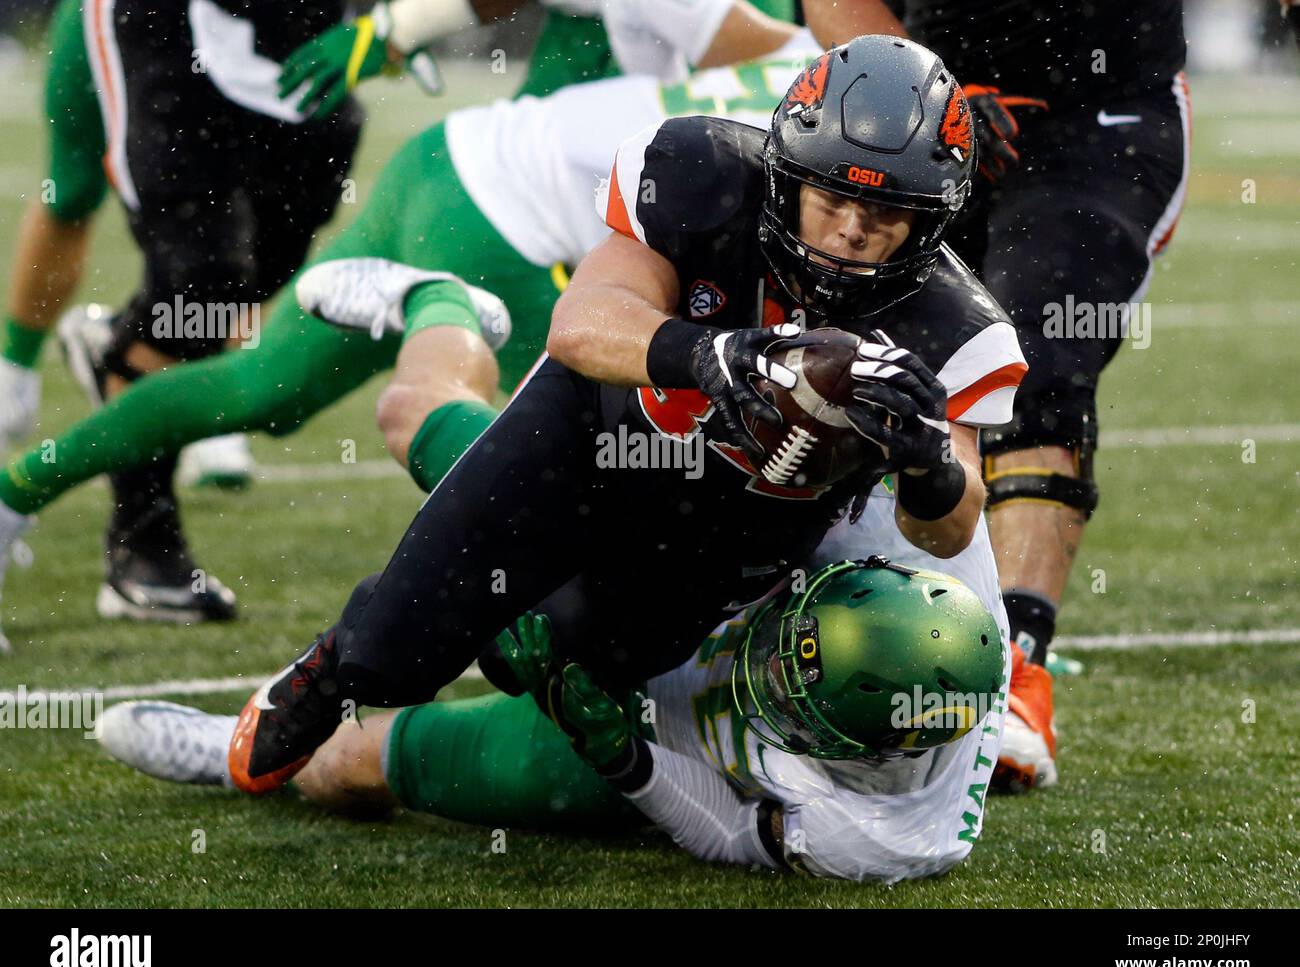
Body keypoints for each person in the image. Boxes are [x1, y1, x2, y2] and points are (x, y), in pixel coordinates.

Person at [224, 35, 1024, 797]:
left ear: (931, 219)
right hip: (591, 433)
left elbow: (951, 530)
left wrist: (928, 465)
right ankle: (337, 661)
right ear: (786, 174)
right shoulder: (703, 176)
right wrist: (712, 355)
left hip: (735, 529)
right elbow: (582, 323)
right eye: (832, 195)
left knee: (550, 657)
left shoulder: (954, 325)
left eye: (886, 215)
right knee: (394, 656)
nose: (852, 229)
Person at [0, 8, 811, 653]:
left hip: (449, 156)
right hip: (500, 222)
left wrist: (399, 27)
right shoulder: (828, 170)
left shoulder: (799, 71)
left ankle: (17, 491)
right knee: (569, 468)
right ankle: (434, 310)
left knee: (260, 391)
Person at [99, 539, 1011, 883]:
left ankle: (237, 744)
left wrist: (624, 759)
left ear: (856, 748)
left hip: (661, 741)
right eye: (784, 642)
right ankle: (432, 310)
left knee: (353, 769)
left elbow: (734, 836)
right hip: (705, 581)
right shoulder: (929, 561)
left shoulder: (884, 835)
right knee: (473, 465)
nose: (754, 665)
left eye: (782, 686)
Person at [804, 0, 1191, 789]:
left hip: (1099, 115)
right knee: (847, 346)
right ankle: (830, 625)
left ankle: (1017, 668)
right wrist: (924, 95)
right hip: (923, 115)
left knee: (1035, 356)